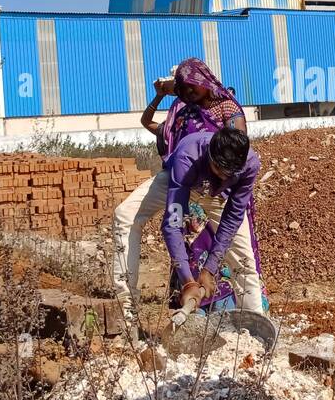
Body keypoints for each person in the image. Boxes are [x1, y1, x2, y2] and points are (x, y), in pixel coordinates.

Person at [110, 57, 246, 313]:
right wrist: (161, 94)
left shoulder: (227, 108)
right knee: (125, 215)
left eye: (192, 85)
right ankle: (126, 308)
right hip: (180, 178)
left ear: (205, 81)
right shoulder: (181, 110)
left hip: (217, 184)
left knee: (239, 252)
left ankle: (253, 320)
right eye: (184, 87)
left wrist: (225, 184)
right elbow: (150, 122)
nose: (188, 90)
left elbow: (238, 152)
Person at [161, 127, 277, 349]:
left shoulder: (250, 164)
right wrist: (188, 281)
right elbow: (172, 223)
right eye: (219, 169)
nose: (224, 176)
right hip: (182, 183)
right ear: (210, 156)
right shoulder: (188, 154)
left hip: (218, 196)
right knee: (125, 217)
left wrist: (210, 268)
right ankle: (127, 317)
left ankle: (256, 334)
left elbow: (233, 216)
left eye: (229, 174)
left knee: (244, 260)